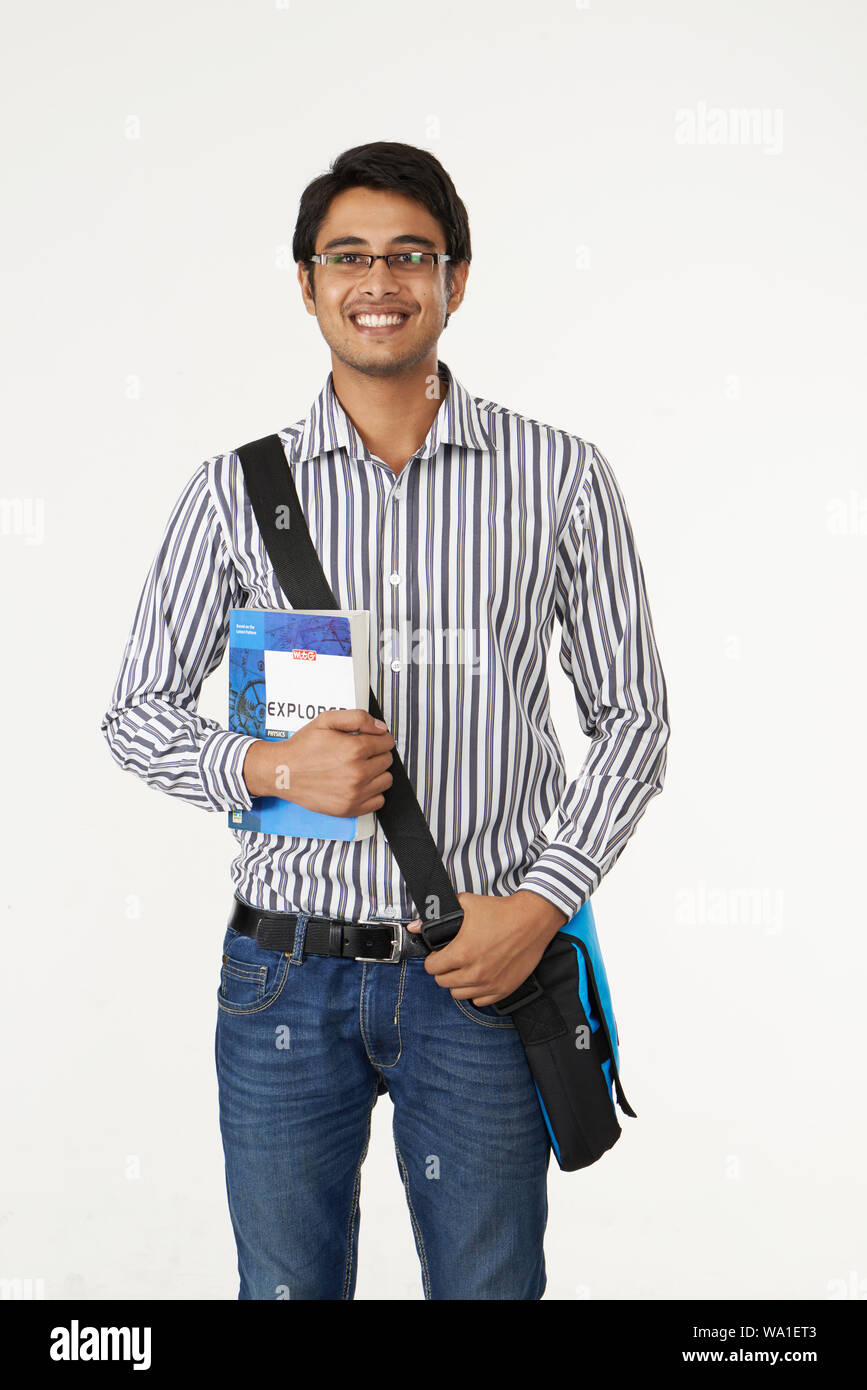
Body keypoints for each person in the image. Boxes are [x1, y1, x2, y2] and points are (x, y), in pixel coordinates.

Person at [100, 139, 671, 1301]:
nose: (380, 279)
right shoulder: (232, 490)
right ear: (306, 283)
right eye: (347, 254)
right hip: (280, 975)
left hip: (482, 972)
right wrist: (263, 762)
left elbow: (637, 719)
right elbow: (134, 714)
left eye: (412, 254)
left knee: (489, 1288)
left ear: (458, 279)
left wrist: (543, 903)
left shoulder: (560, 475)